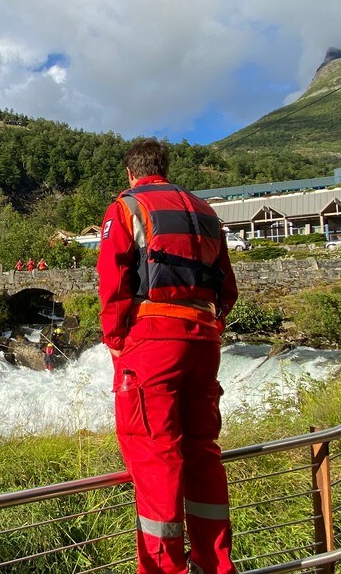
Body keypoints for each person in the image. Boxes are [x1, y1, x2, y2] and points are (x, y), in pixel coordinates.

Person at [97, 139, 239, 574]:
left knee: (155, 452)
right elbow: (227, 288)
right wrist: (210, 323)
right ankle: (215, 565)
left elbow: (113, 279)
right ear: (165, 167)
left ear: (130, 173)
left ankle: (165, 570)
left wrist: (116, 339)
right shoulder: (206, 212)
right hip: (203, 339)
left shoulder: (127, 207)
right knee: (202, 451)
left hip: (154, 341)